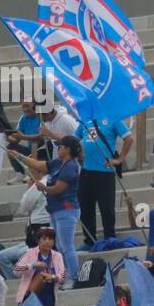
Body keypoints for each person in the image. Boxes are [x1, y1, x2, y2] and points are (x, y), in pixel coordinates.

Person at [18, 134, 83, 287]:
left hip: (66, 210)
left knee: (67, 245)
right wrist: (20, 157)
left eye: (60, 146)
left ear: (67, 149)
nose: (58, 148)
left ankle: (73, 277)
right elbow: (40, 165)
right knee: (60, 245)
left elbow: (58, 189)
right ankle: (65, 276)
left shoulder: (71, 166)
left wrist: (43, 188)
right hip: (55, 210)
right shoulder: (60, 162)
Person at [77, 115, 133, 246]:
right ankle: (89, 241)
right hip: (85, 171)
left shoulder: (113, 118)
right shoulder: (85, 119)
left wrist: (119, 159)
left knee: (106, 209)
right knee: (85, 209)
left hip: (104, 171)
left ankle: (110, 238)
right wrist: (79, 153)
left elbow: (129, 139)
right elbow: (74, 139)